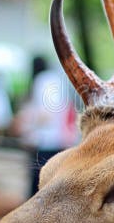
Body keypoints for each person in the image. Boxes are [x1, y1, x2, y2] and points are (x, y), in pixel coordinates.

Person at [15, 56, 79, 196]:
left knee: (38, 187)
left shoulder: (43, 81)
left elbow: (47, 115)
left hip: (45, 142)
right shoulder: (57, 80)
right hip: (58, 141)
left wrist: (27, 121)